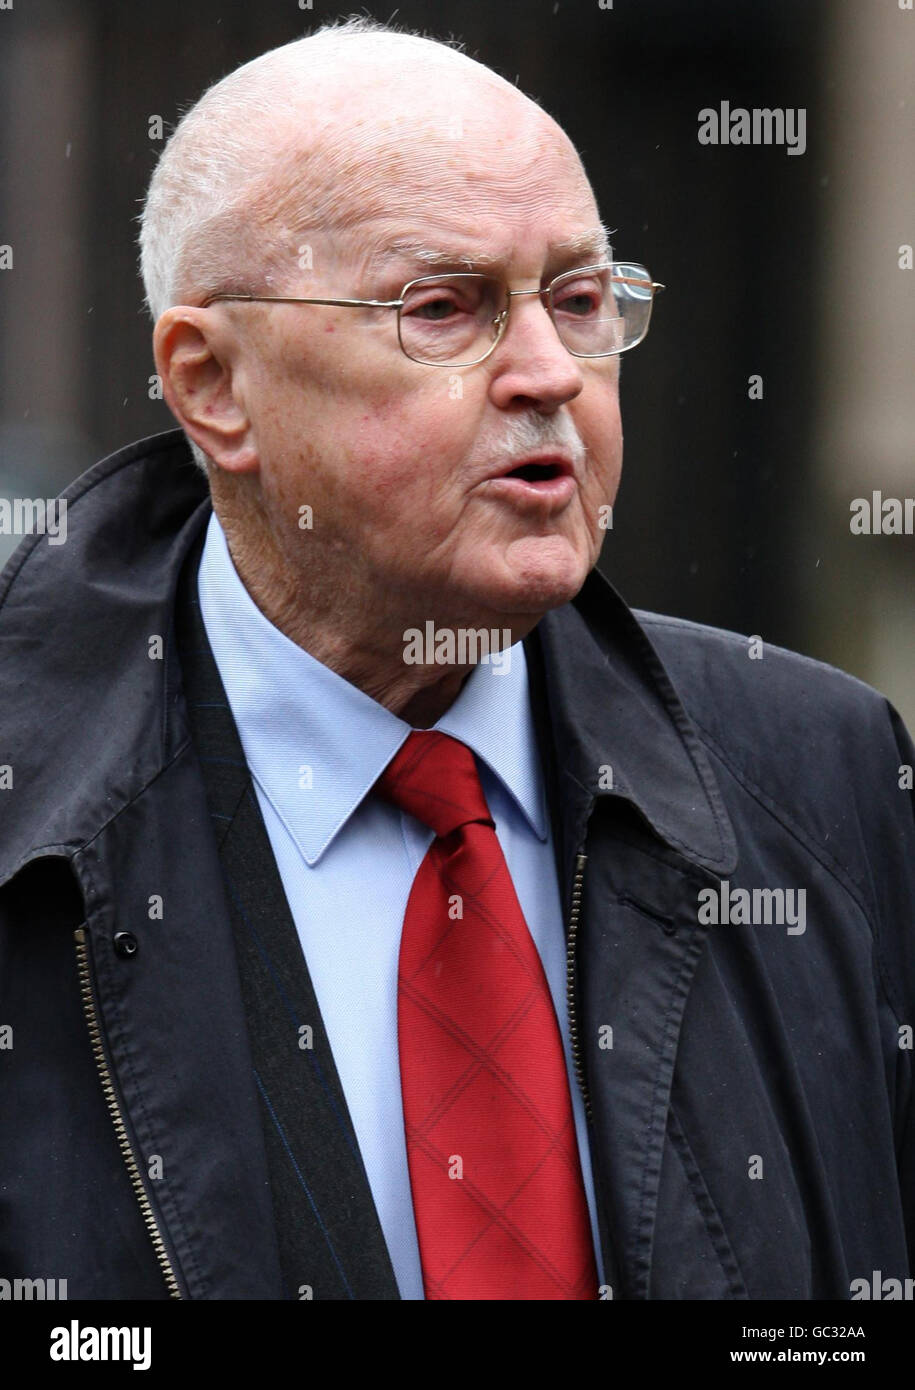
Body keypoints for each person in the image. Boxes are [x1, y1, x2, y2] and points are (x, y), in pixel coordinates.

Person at [0, 15, 912, 1302]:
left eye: (583, 301)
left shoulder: (823, 770)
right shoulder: (29, 803)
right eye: (444, 308)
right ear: (212, 383)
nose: (549, 374)